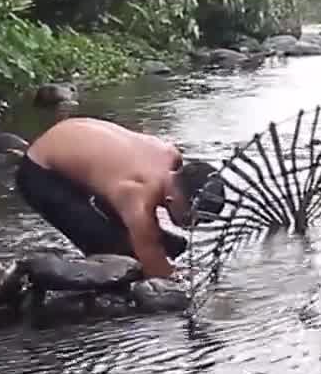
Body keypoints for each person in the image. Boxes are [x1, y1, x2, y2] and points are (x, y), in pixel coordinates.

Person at [15, 116, 224, 279]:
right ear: (173, 200)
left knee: (163, 242)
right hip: (41, 173)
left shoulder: (170, 155)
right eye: (191, 218)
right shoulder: (138, 197)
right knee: (111, 247)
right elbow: (158, 270)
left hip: (71, 139)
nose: (193, 225)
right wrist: (171, 275)